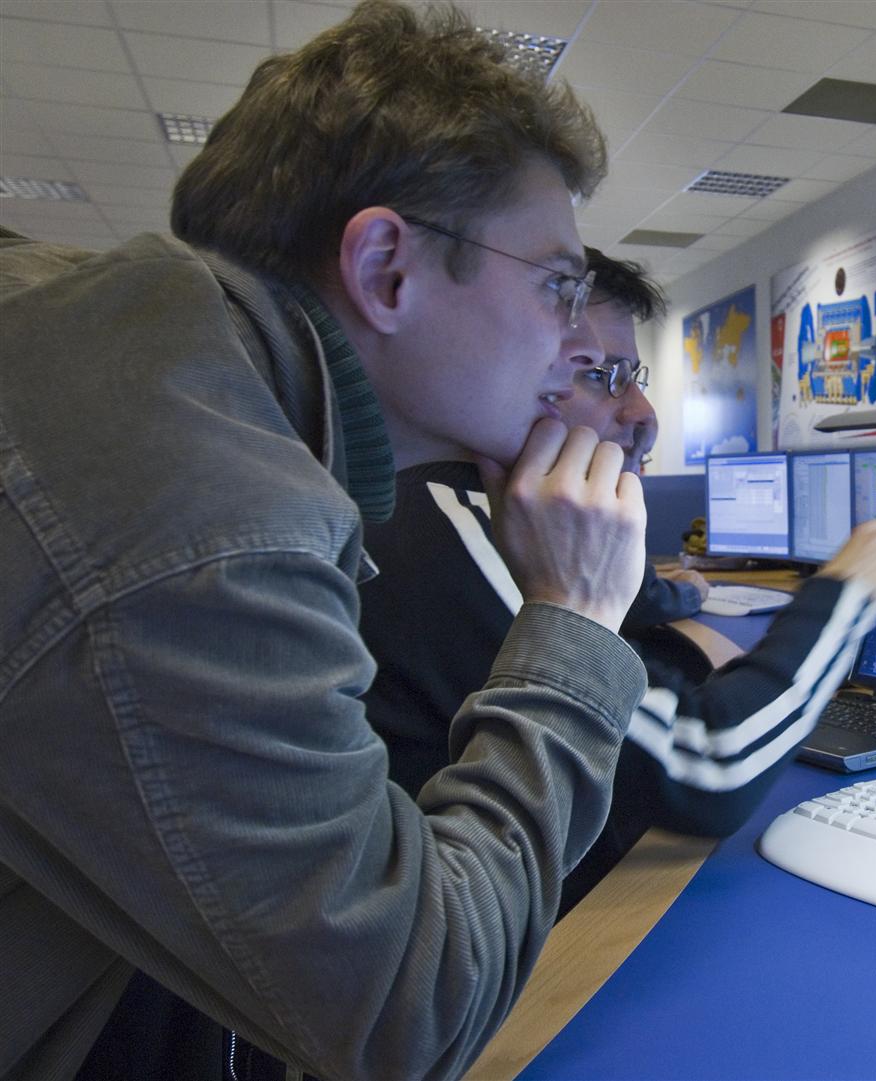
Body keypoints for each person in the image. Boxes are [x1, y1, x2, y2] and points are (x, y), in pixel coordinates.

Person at [7, 3, 637, 1077]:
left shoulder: (159, 367)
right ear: (386, 267)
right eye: (557, 286)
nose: (573, 339)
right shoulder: (204, 514)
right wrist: (574, 618)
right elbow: (408, 1013)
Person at [360, 248, 876, 915]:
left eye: (633, 376)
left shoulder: (442, 505)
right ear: (519, 370)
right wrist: (849, 592)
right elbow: (714, 764)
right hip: (537, 945)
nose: (644, 412)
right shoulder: (452, 528)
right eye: (600, 375)